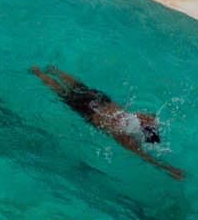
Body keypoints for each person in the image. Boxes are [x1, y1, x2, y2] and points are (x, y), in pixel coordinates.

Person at [32, 66, 182, 178]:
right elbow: (143, 156)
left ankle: (54, 70)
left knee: (79, 87)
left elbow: (152, 117)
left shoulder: (141, 118)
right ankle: (38, 73)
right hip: (90, 112)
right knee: (62, 92)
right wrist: (167, 168)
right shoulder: (125, 137)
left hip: (102, 101)